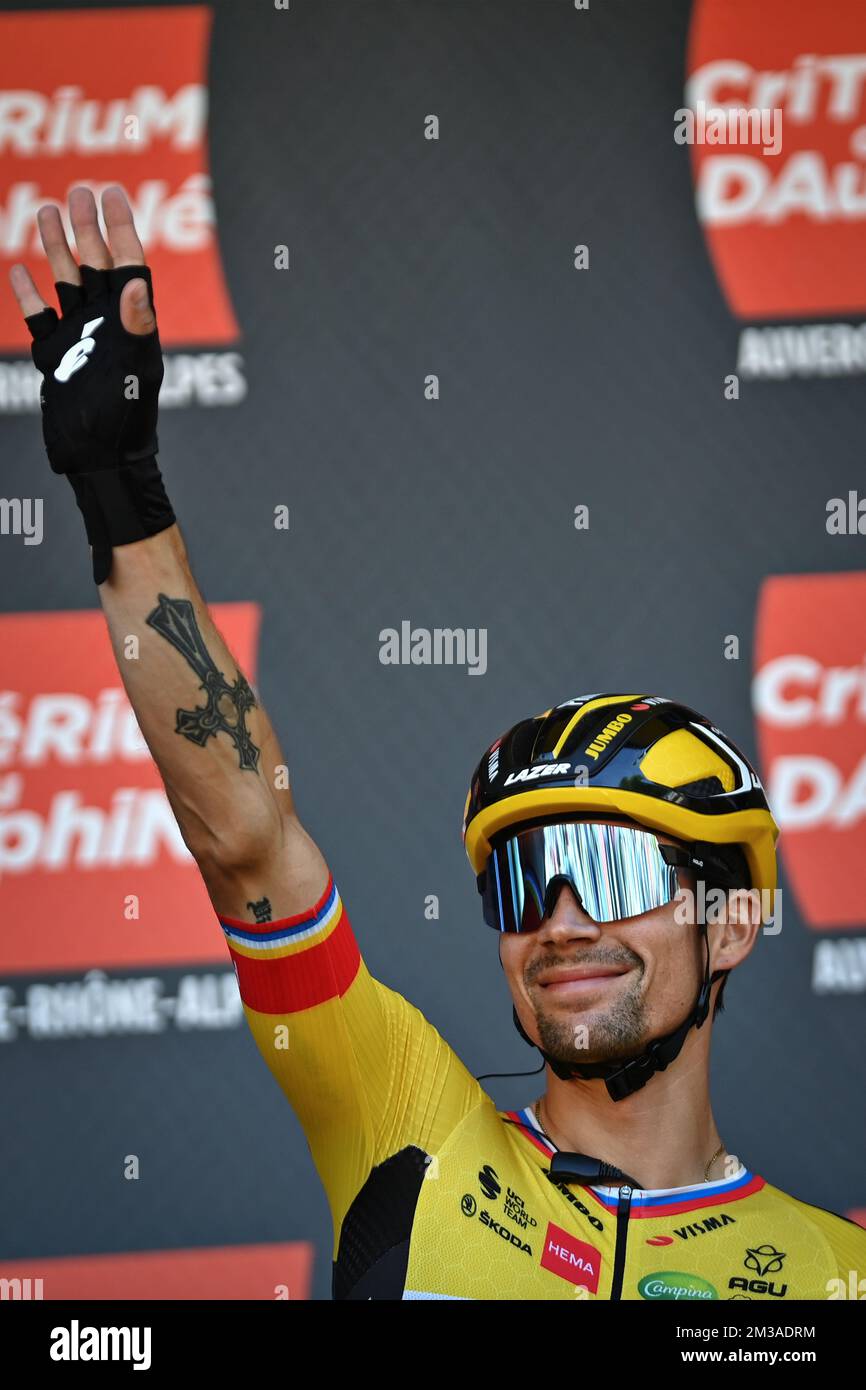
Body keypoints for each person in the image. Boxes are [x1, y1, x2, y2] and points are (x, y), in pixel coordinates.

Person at [10, 186, 866, 1302]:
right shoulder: (404, 1122)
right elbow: (247, 844)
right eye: (520, 879)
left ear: (734, 917)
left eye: (609, 868)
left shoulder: (834, 1274)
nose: (559, 920)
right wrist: (119, 492)